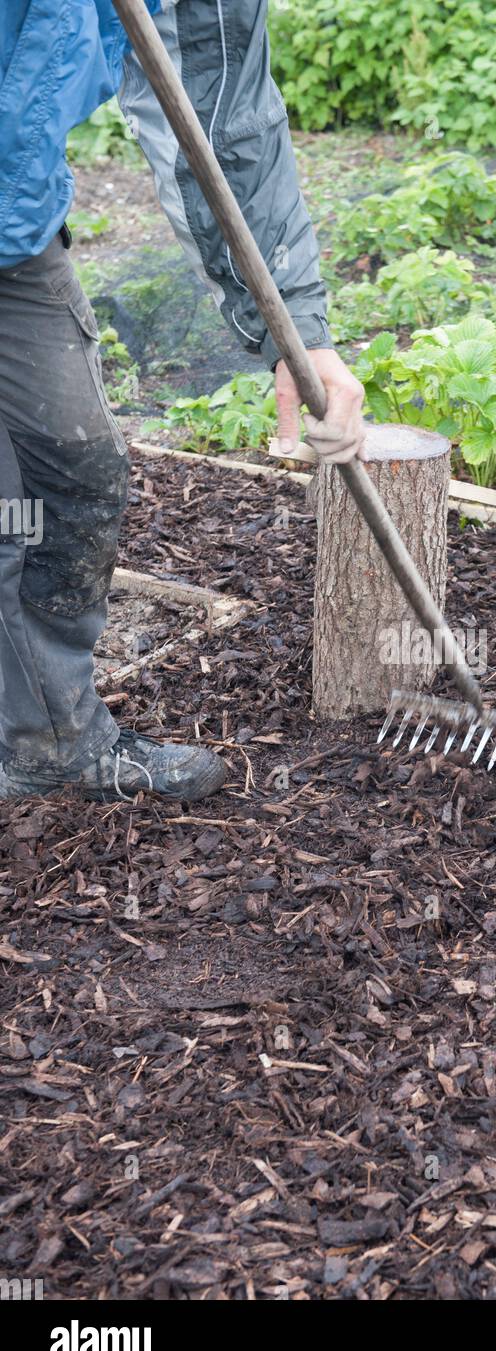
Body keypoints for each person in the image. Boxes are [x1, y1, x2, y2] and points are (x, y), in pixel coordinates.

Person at [0, 0, 365, 802]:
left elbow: (217, 102)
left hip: (13, 225)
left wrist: (299, 332)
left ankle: (50, 743)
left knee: (73, 475)